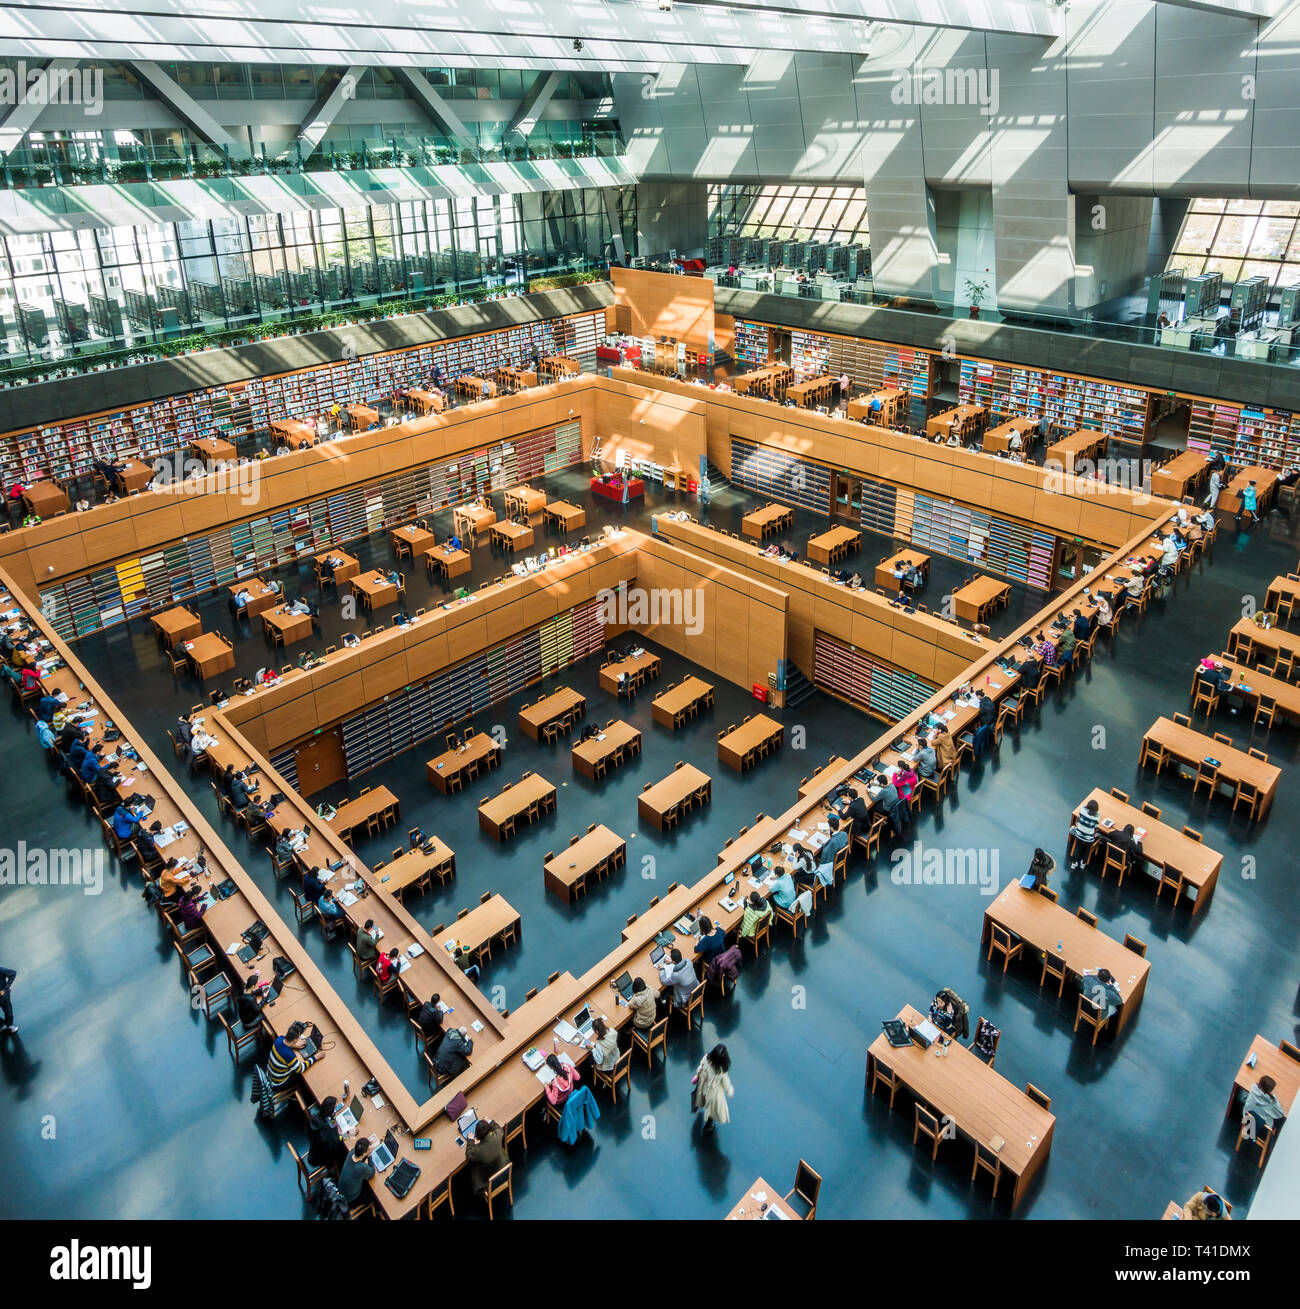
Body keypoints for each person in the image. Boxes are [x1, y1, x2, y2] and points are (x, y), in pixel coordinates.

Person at [692, 1044, 734, 1137]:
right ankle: (707, 1127)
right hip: (713, 1093)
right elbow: (725, 1082)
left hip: (703, 1084)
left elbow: (701, 1067)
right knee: (712, 1110)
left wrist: (698, 1075)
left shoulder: (706, 1058)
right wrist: (729, 1090)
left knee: (699, 1095)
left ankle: (696, 1105)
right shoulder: (721, 1071)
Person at [465, 1118, 509, 1197]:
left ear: (477, 1137)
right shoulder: (497, 1136)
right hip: (503, 1166)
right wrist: (490, 1121)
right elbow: (499, 1128)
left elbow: (468, 1154)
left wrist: (470, 1140)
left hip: (488, 1180)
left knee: (474, 1168)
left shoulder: (478, 1151)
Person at [267, 1021, 318, 1088]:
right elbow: (300, 1069)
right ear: (294, 1040)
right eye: (299, 1037)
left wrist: (294, 1045)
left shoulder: (279, 1039)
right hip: (278, 1083)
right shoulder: (289, 1055)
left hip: (270, 1074)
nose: (300, 1038)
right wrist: (315, 1057)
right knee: (301, 1079)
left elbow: (284, 1046)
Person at [307, 1096, 349, 1172]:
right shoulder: (326, 1130)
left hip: (314, 1150)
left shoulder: (317, 1116)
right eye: (334, 1108)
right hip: (320, 1158)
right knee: (345, 1151)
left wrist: (333, 1119)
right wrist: (350, 1134)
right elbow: (337, 1141)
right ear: (330, 1111)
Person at [1242, 1074, 1287, 1138]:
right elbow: (1280, 1114)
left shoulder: (1253, 1088)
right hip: (1263, 1128)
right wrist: (1275, 1098)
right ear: (1269, 1091)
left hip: (1247, 1117)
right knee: (1280, 1119)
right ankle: (1275, 1138)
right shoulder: (1271, 1102)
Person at [338, 1138, 375, 1205]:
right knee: (373, 1195)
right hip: (350, 1200)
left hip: (341, 1192)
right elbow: (372, 1172)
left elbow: (360, 1159)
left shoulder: (351, 1153)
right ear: (364, 1153)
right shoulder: (361, 1168)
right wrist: (369, 1156)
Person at [1069, 798, 1101, 869]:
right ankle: (1083, 863)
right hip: (1089, 837)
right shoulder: (1097, 817)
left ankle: (1074, 864)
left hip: (1079, 834)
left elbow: (1083, 807)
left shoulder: (1082, 811)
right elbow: (1095, 828)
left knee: (1077, 848)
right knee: (1087, 850)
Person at [816, 814, 848, 881]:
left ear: (831, 828)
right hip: (841, 857)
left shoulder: (832, 843)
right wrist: (824, 844)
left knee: (815, 857)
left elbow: (825, 856)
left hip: (833, 861)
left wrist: (823, 845)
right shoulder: (844, 834)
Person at [0, 965, 16, 1035]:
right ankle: (2, 1024)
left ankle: (10, 1026)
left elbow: (13, 973)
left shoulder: (1, 969)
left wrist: (5, 989)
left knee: (8, 1011)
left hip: (3, 996)